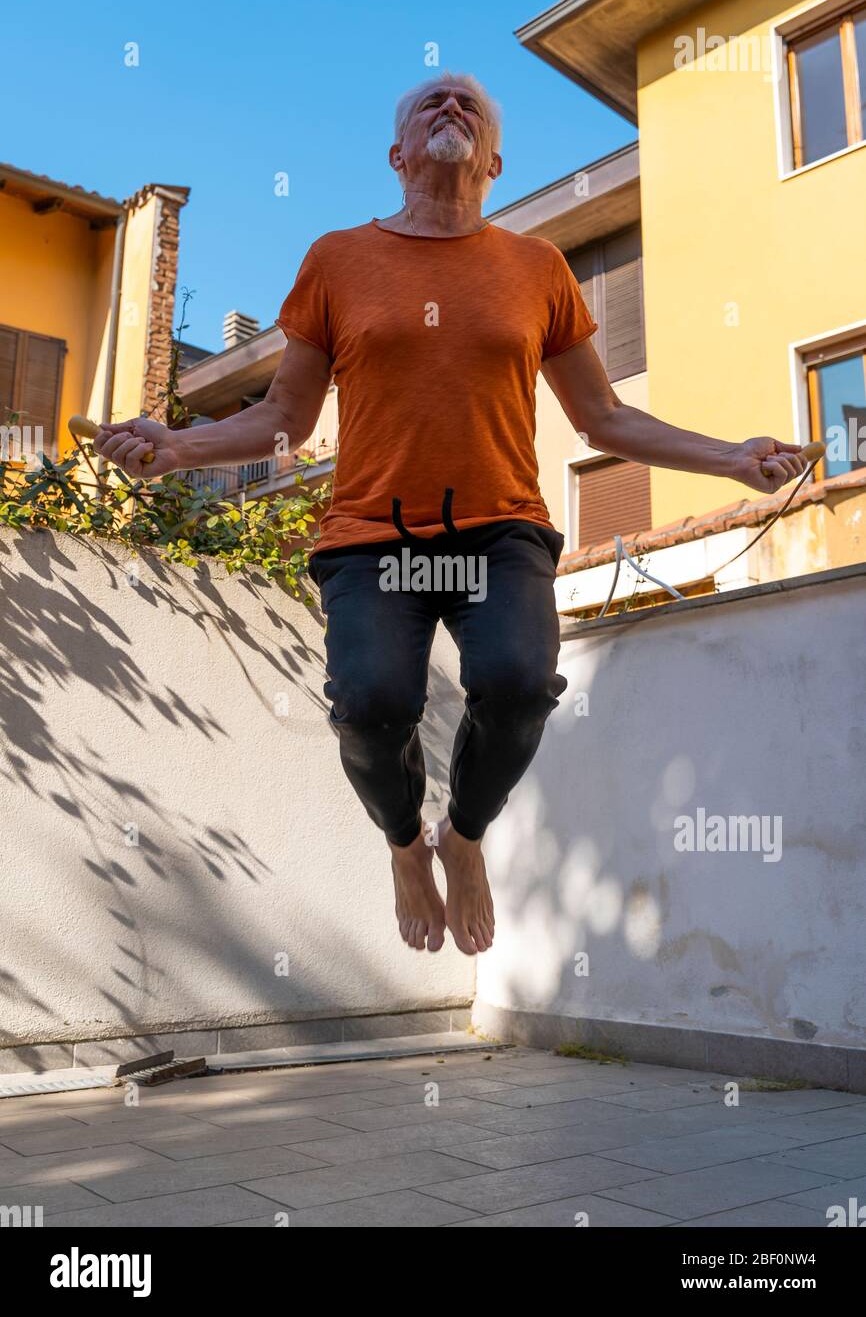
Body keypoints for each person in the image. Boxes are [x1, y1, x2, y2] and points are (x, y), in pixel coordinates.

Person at [94, 72, 809, 959]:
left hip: (500, 528)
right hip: (372, 534)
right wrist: (176, 446)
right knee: (369, 705)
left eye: (471, 105)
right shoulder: (336, 260)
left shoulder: (538, 269)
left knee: (516, 684)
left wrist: (734, 458)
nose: (452, 107)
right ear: (396, 155)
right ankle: (406, 844)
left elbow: (606, 419)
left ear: (497, 161)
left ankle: (463, 835)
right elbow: (283, 420)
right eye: (430, 103)